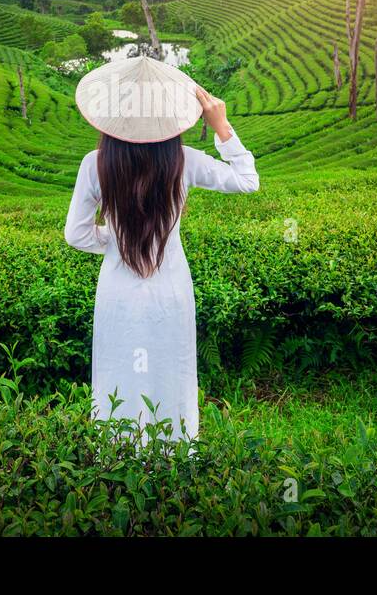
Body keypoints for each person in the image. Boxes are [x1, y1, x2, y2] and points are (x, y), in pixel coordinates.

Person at [64, 56, 259, 445]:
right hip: (170, 291)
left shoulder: (95, 164)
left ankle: (118, 457)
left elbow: (76, 235)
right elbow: (246, 180)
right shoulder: (183, 161)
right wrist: (221, 127)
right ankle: (174, 457)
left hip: (117, 294)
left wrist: (116, 241)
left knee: (119, 374)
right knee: (171, 373)